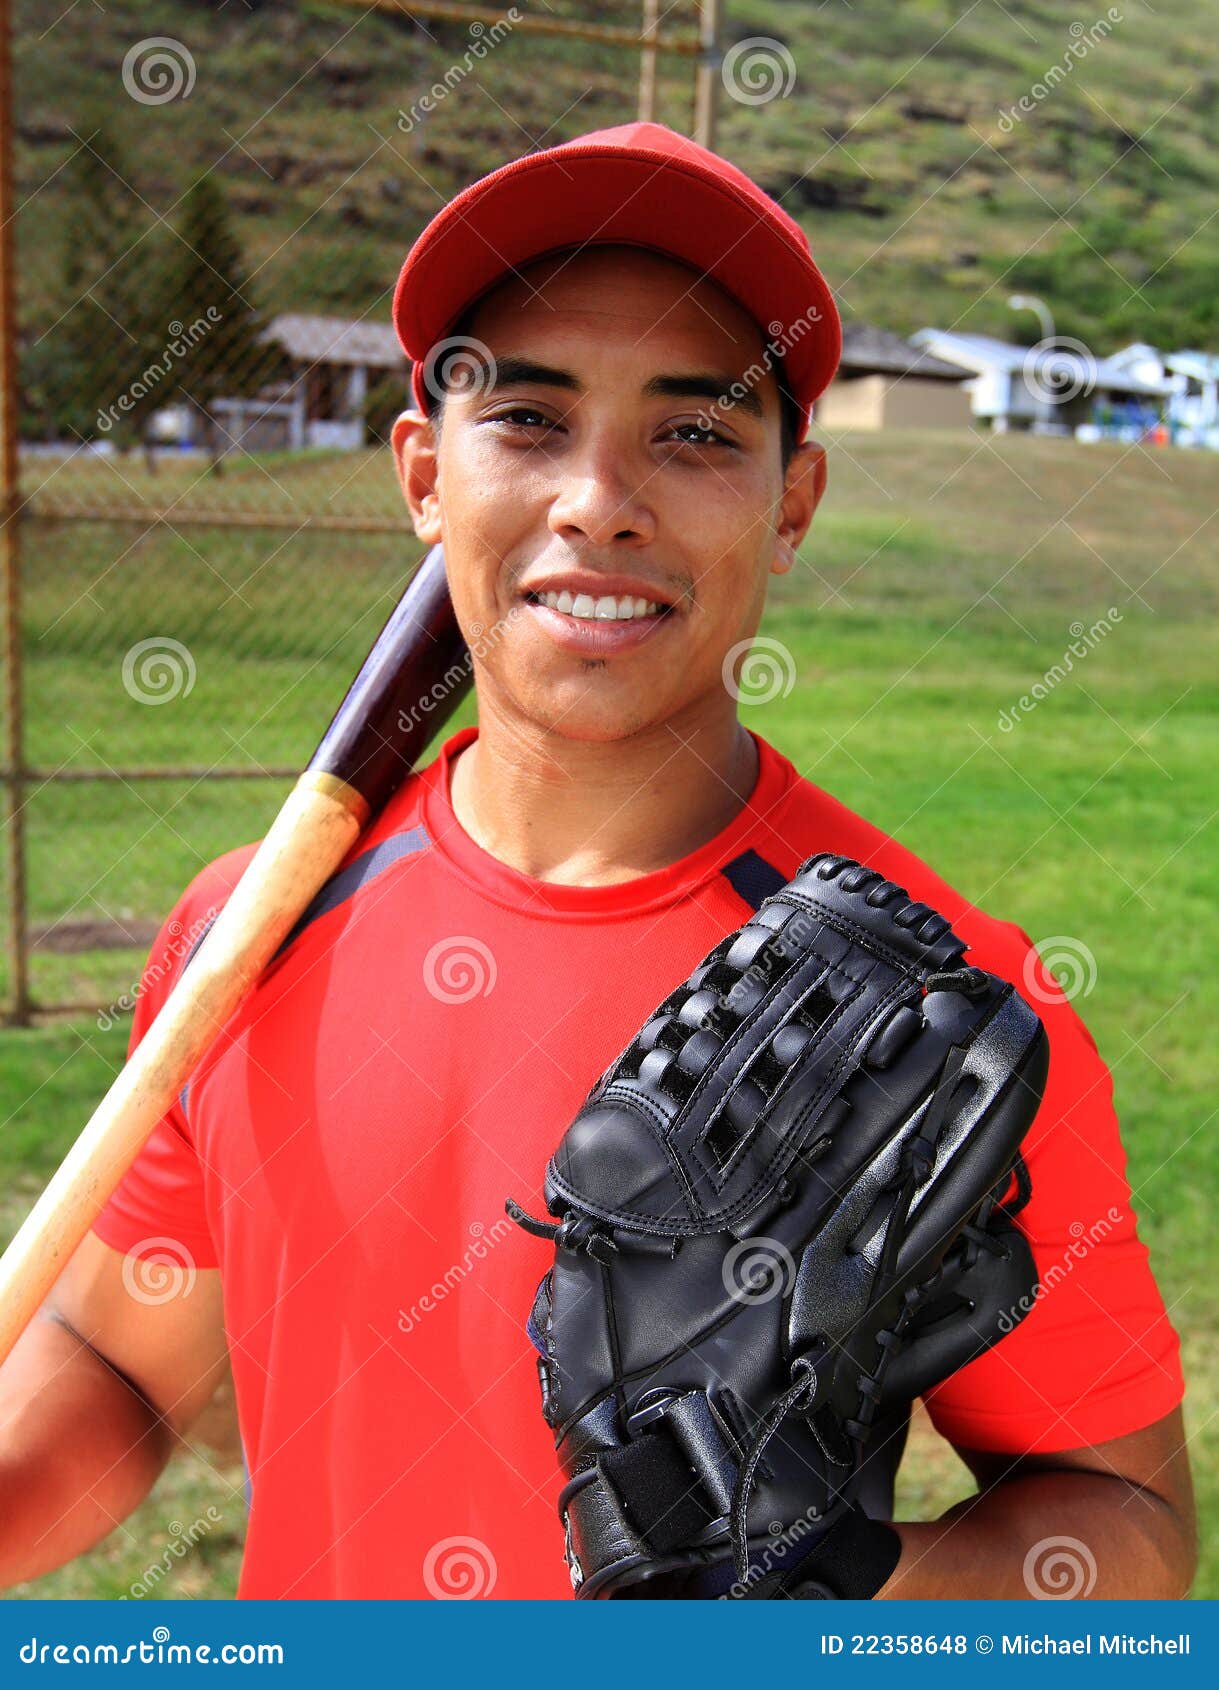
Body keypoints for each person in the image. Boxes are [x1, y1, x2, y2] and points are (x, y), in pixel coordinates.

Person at [0, 122, 1193, 1600]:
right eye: (530, 422)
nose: (598, 500)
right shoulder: (249, 930)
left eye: (694, 432)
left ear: (794, 501)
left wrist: (817, 1568)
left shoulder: (943, 1014)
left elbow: (1120, 1527)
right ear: (426, 476)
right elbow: (119, 1358)